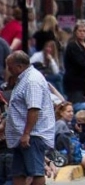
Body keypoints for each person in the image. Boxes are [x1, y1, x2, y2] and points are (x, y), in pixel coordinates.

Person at [5, 51, 56, 185]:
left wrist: (27, 133)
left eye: (10, 67)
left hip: (32, 135)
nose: (8, 70)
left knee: (35, 172)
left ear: (20, 66)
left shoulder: (32, 80)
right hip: (21, 135)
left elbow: (34, 108)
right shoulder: (22, 79)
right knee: (18, 172)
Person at [62, 21, 85, 104]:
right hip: (74, 81)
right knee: (77, 103)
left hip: (84, 81)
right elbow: (80, 62)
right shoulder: (72, 45)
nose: (82, 33)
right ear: (75, 32)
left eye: (84, 31)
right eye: (80, 31)